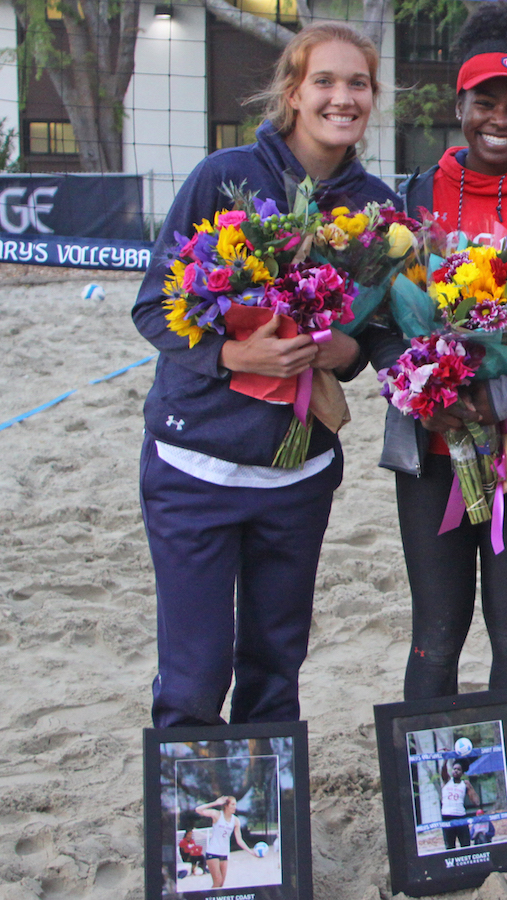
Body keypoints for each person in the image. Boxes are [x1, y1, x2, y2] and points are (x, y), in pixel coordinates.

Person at [133, 23, 397, 727]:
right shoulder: (223, 176)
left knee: (275, 674)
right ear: (292, 92)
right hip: (196, 467)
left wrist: (348, 351)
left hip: (296, 473)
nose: (343, 97)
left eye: (359, 83)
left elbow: (376, 331)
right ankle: (194, 804)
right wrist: (232, 356)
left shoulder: (377, 207)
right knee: (194, 681)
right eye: (325, 81)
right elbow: (153, 307)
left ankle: (268, 806)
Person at [366, 0, 507, 716]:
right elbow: (379, 321)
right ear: (459, 105)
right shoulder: (413, 196)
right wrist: (419, 386)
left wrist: (504, 397)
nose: (500, 119)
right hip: (431, 446)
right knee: (434, 636)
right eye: (485, 103)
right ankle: (426, 783)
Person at [194, 796, 253, 889]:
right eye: (232, 804)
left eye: (235, 804)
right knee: (217, 882)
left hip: (224, 853)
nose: (235, 807)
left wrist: (251, 852)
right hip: (213, 852)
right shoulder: (217, 814)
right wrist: (215, 803)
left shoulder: (235, 820)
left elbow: (239, 840)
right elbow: (198, 810)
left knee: (221, 884)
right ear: (226, 806)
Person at [439, 761, 483, 850]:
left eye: (458, 769)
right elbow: (443, 771)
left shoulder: (464, 784)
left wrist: (470, 787)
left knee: (466, 844)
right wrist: (445, 761)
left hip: (460, 816)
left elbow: (477, 802)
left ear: (462, 773)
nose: (456, 771)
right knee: (450, 846)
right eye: (454, 769)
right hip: (447, 816)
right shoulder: (447, 780)